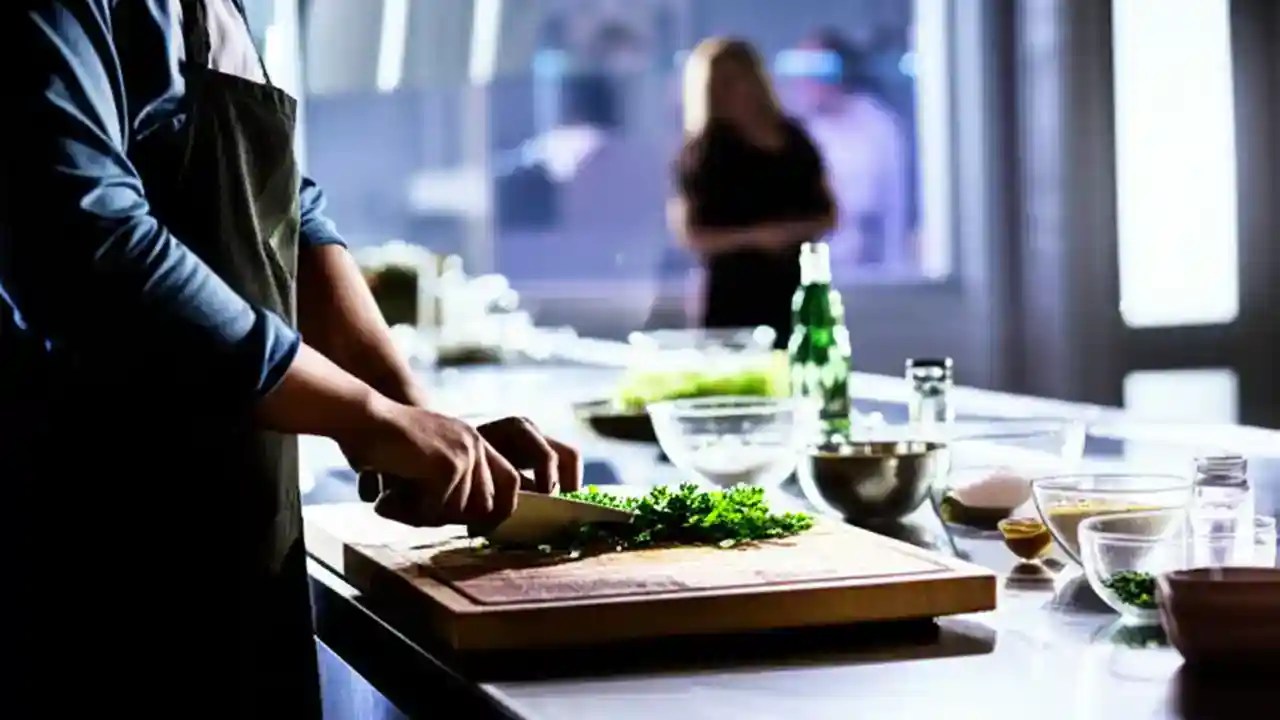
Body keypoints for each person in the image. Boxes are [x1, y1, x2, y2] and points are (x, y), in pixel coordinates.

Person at [3, 2, 579, 716]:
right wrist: (364, 414)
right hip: (82, 551)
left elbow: (291, 210)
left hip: (235, 545)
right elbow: (89, 245)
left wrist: (415, 417)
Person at [670, 38, 837, 346]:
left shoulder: (794, 141)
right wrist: (756, 238)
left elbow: (828, 214)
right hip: (731, 296)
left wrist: (787, 233)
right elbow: (692, 233)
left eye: (738, 79)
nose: (734, 91)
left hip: (793, 288)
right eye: (722, 83)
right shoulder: (704, 153)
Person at [785, 29, 911, 276]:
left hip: (868, 269)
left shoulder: (877, 126)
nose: (805, 82)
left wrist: (894, 267)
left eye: (816, 70)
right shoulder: (798, 131)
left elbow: (894, 207)